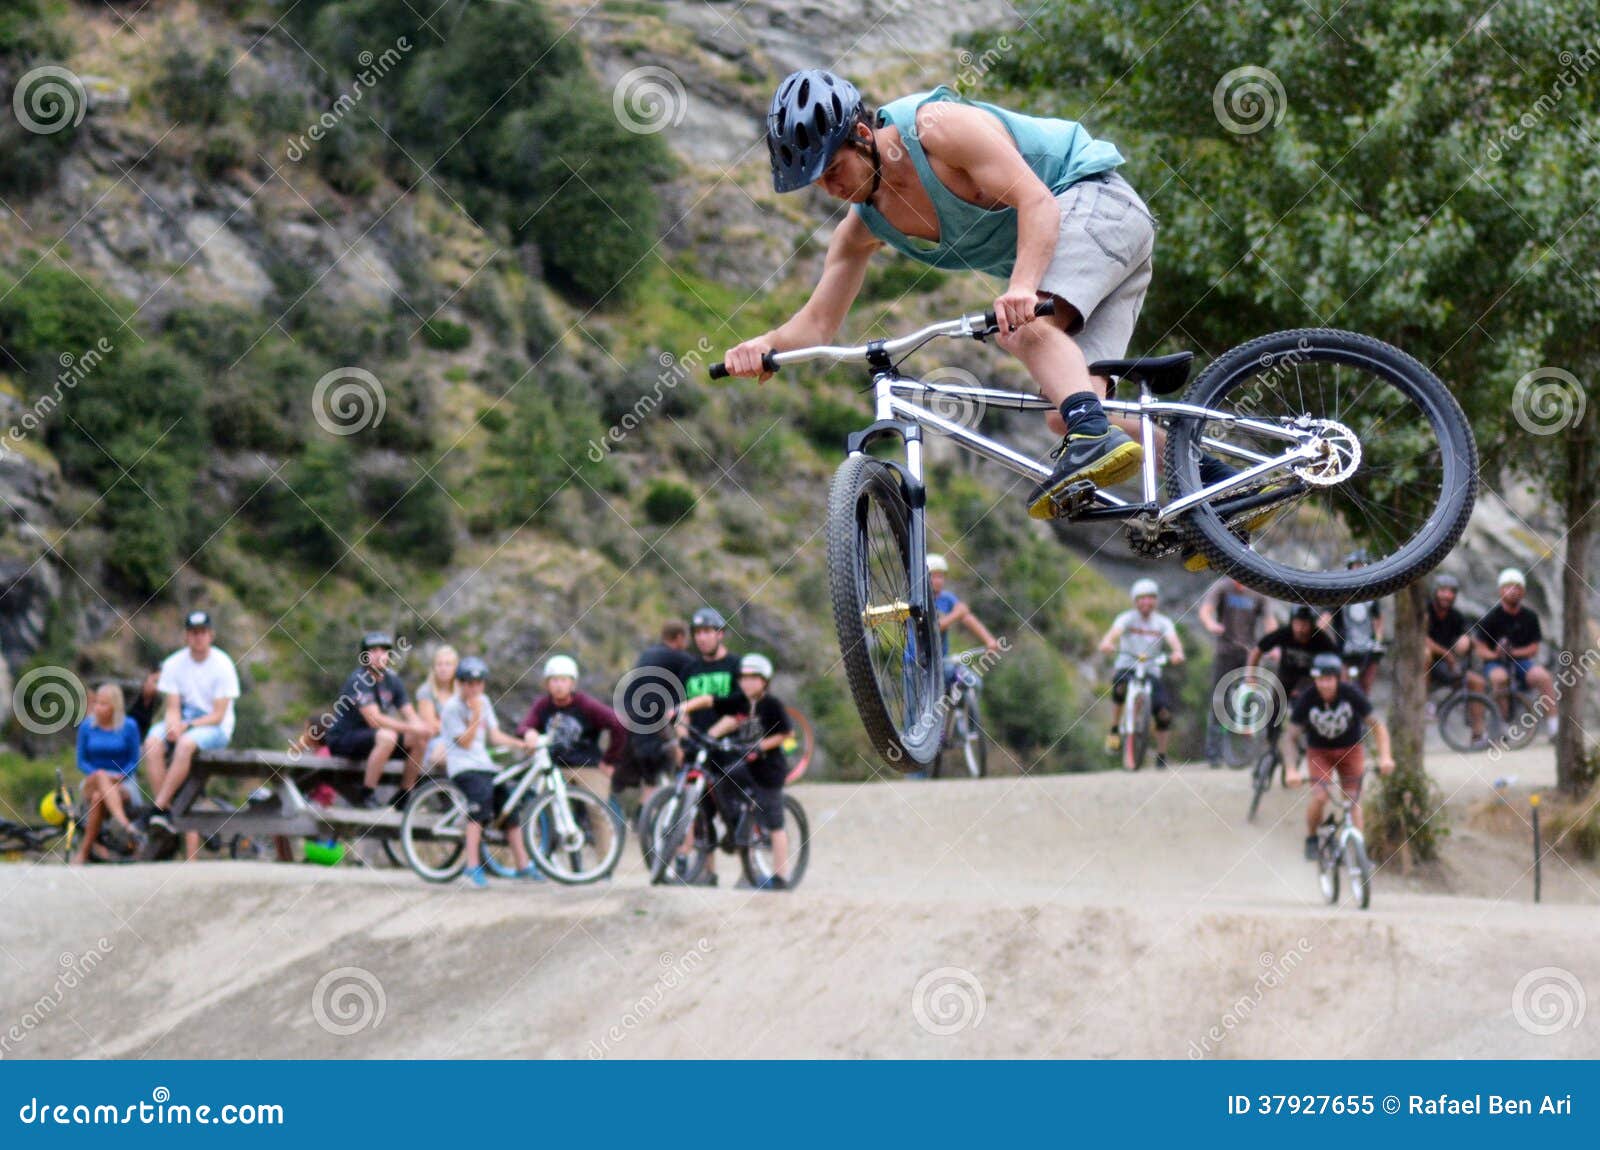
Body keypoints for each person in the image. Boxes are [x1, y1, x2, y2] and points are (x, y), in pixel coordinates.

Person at [721, 70, 1168, 519]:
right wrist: (766, 345)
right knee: (1062, 409)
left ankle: (1090, 434)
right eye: (817, 182)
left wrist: (1022, 288)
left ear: (861, 135)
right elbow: (819, 324)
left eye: (833, 169)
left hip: (1096, 201)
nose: (831, 189)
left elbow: (1037, 201)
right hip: (1102, 245)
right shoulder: (861, 229)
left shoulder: (935, 128)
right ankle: (1205, 478)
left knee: (1026, 333)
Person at [679, 654, 794, 890]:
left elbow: (786, 734)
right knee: (724, 778)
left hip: (769, 769)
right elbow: (709, 700)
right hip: (747, 766)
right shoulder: (740, 702)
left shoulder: (771, 705)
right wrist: (682, 708)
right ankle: (739, 821)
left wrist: (760, 746)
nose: (747, 682)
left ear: (765, 681)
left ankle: (781, 877)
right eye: (743, 678)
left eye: (754, 678)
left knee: (775, 822)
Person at [442, 657, 542, 889]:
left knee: (510, 808)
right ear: (460, 684)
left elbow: (495, 736)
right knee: (479, 809)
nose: (474, 688)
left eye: (479, 683)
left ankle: (523, 865)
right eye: (469, 683)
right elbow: (465, 743)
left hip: (484, 765)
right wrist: (475, 715)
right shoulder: (452, 709)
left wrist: (520, 745)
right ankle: (471, 866)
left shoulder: (484, 702)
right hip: (463, 766)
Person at [144, 611, 240, 836]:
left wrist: (185, 727)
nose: (198, 637)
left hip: (215, 728)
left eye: (203, 633)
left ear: (211, 635)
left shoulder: (223, 665)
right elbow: (172, 707)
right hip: (183, 721)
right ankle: (165, 810)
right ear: (187, 636)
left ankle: (158, 808)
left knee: (185, 744)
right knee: (152, 742)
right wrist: (173, 726)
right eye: (194, 633)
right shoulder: (173, 663)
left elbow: (218, 715)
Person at [1291, 652, 1395, 861]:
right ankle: (1312, 838)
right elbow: (1290, 737)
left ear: (1338, 679)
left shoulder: (1352, 694)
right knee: (1320, 797)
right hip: (1319, 752)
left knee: (1352, 800)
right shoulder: (1308, 697)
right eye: (1320, 679)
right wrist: (1290, 770)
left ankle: (1359, 853)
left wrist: (1385, 757)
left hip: (1351, 750)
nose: (1325, 685)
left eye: (1329, 679)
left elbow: (1377, 726)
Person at [322, 632, 430, 809]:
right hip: (344, 739)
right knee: (388, 736)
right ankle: (367, 793)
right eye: (373, 651)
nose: (379, 655)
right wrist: (412, 728)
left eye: (384, 650)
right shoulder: (359, 679)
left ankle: (404, 795)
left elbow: (410, 715)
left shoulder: (393, 680)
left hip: (373, 740)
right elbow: (375, 720)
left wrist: (423, 729)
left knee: (419, 740)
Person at [1097, 578, 1185, 769]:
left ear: (1156, 601)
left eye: (1150, 598)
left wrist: (1177, 652)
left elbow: (1173, 640)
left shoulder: (1163, 622)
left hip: (1152, 670)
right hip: (1127, 666)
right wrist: (1107, 643)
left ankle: (1161, 754)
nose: (1146, 602)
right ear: (1135, 601)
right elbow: (1114, 633)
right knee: (1120, 687)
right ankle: (1114, 728)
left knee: (1164, 714)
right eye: (1142, 598)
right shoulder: (1126, 618)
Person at [1246, 606, 1339, 786]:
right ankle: (1271, 746)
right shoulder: (1284, 634)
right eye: (1297, 624)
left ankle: (1298, 744)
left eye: (1305, 625)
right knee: (1274, 708)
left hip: (1309, 681)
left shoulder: (1320, 639)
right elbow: (1257, 650)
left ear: (1311, 625)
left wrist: (1334, 690)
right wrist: (1251, 674)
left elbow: (1336, 662)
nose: (1301, 629)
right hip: (1286, 678)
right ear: (1292, 623)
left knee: (1303, 709)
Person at [613, 621, 697, 808]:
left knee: (645, 777)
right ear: (679, 638)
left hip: (632, 722)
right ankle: (653, 818)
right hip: (653, 724)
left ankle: (639, 819)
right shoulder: (679, 658)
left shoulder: (648, 654)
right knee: (664, 768)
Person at [1197, 576, 1276, 768]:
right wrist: (1211, 624)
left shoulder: (1258, 591)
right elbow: (1206, 610)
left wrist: (1273, 644)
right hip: (1225, 651)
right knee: (1219, 699)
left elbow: (1269, 620)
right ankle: (1214, 754)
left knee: (1254, 695)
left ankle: (1252, 746)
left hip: (1250, 653)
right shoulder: (1223, 586)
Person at [1472, 568, 1557, 738]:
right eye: (1508, 587)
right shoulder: (1490, 617)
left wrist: (1513, 652)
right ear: (1500, 590)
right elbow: (1480, 648)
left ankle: (1554, 727)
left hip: (1522, 662)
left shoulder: (1530, 617)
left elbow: (1534, 648)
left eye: (1517, 587)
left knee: (1544, 677)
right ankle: (1503, 725)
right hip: (1495, 662)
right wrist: (1496, 655)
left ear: (1523, 591)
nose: (1513, 591)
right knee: (1499, 678)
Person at [514, 656, 628, 774]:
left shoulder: (585, 704)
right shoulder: (542, 705)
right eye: (554, 680)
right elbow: (522, 728)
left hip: (587, 768)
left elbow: (619, 723)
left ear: (572, 683)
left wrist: (609, 760)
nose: (559, 685)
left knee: (593, 791)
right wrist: (528, 732)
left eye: (563, 680)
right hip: (552, 769)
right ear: (547, 684)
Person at [72, 683, 146, 863]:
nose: (97, 707)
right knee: (100, 777)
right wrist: (102, 775)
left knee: (99, 797)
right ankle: (125, 825)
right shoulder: (86, 727)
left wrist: (120, 775)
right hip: (92, 778)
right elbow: (81, 761)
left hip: (123, 782)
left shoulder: (129, 726)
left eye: (103, 704)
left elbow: (134, 761)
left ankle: (83, 852)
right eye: (97, 703)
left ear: (115, 706)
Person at [1330, 551, 1385, 694]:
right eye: (1356, 566)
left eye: (1362, 566)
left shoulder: (1372, 594)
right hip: (1345, 648)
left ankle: (1362, 712)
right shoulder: (1339, 593)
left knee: (1365, 685)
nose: (1358, 569)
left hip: (1368, 648)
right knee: (1344, 685)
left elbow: (1377, 620)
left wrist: (1378, 641)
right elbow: (1327, 618)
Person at [682, 607, 742, 733]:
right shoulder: (689, 669)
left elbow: (744, 706)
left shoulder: (737, 665)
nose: (701, 638)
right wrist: (684, 739)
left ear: (720, 633)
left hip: (729, 746)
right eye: (697, 633)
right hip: (695, 747)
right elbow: (681, 710)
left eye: (707, 632)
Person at [414, 645, 460, 771]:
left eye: (448, 664)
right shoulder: (426, 691)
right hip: (433, 743)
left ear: (455, 667)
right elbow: (431, 726)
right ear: (434, 667)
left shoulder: (461, 691)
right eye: (439, 664)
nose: (443, 669)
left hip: (458, 740)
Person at [125, 668, 161, 739]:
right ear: (148, 677)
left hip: (141, 739)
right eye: (155, 681)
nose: (156, 687)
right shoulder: (131, 690)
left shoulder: (159, 701)